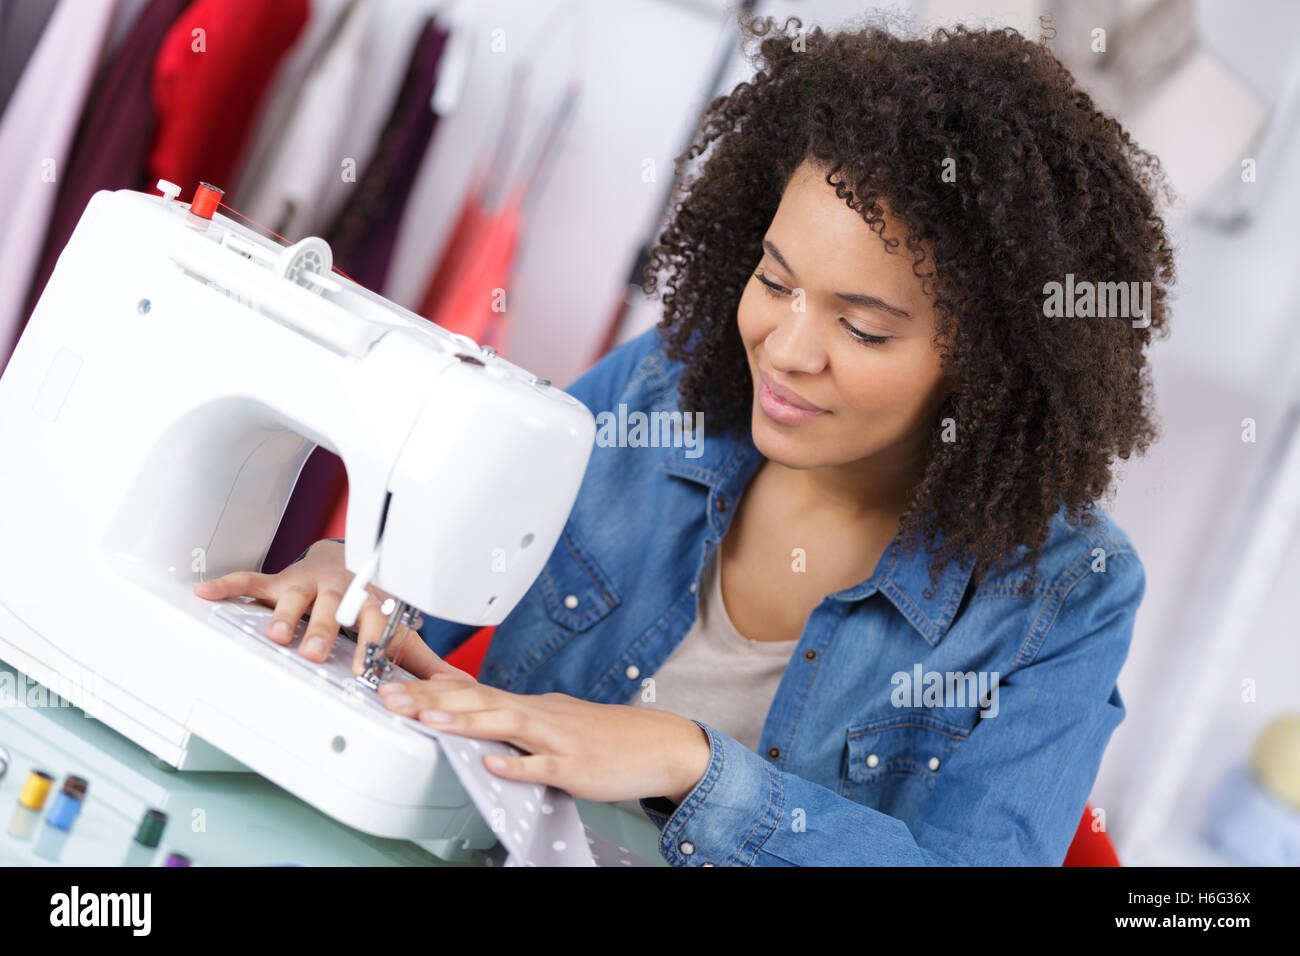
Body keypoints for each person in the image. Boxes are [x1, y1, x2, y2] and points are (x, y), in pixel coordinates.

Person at [194, 14, 1173, 865]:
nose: (785, 350)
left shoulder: (1063, 593)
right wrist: (354, 581)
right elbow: (422, 605)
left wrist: (689, 759)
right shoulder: (664, 383)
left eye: (862, 327)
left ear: (993, 364)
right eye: (775, 280)